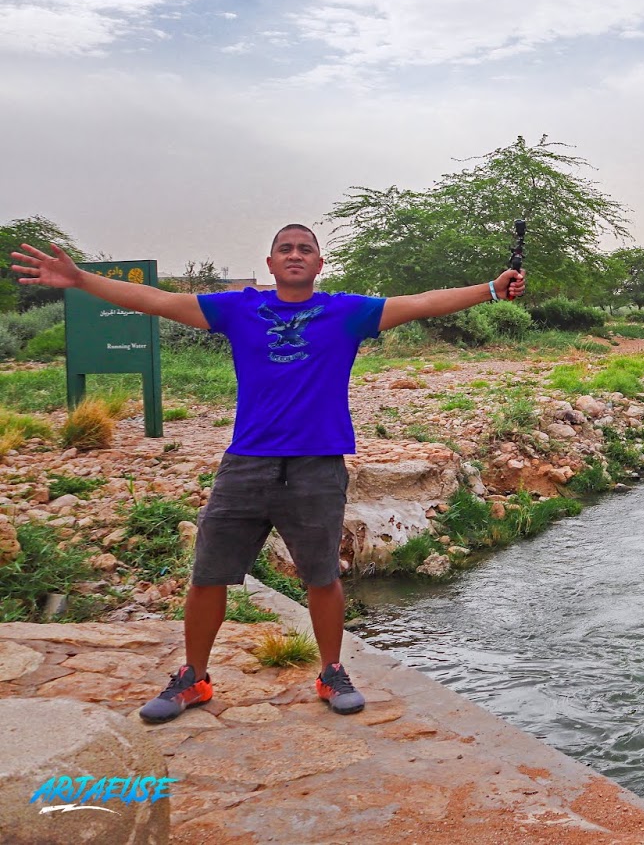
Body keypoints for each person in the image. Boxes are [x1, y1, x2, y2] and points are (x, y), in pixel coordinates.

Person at [9, 225, 525, 722]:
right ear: (271, 262)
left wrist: (490, 291)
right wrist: (79, 280)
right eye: (286, 248)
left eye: (305, 248)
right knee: (209, 574)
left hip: (318, 464)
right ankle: (193, 677)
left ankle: (332, 672)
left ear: (319, 263)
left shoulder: (345, 312)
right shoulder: (239, 309)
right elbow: (157, 301)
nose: (295, 254)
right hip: (246, 463)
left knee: (321, 575)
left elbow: (421, 302)